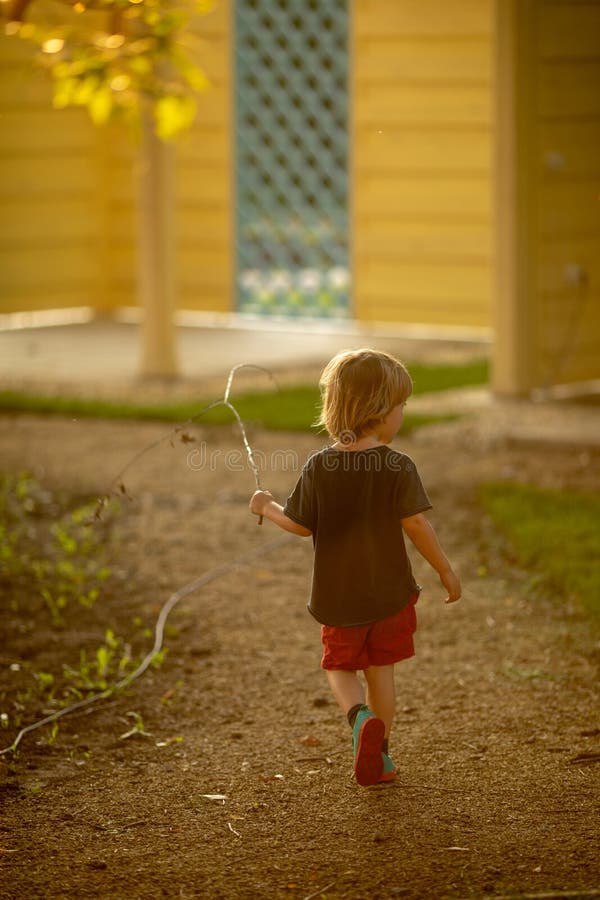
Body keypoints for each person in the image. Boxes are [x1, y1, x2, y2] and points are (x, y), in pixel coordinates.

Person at [249, 348, 461, 787]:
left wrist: (267, 506)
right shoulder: (397, 465)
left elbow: (300, 525)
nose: (403, 414)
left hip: (338, 599)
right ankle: (380, 757)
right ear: (382, 411)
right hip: (389, 596)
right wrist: (444, 570)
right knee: (381, 673)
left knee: (339, 668)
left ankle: (358, 717)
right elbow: (416, 524)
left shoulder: (320, 466)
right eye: (401, 406)